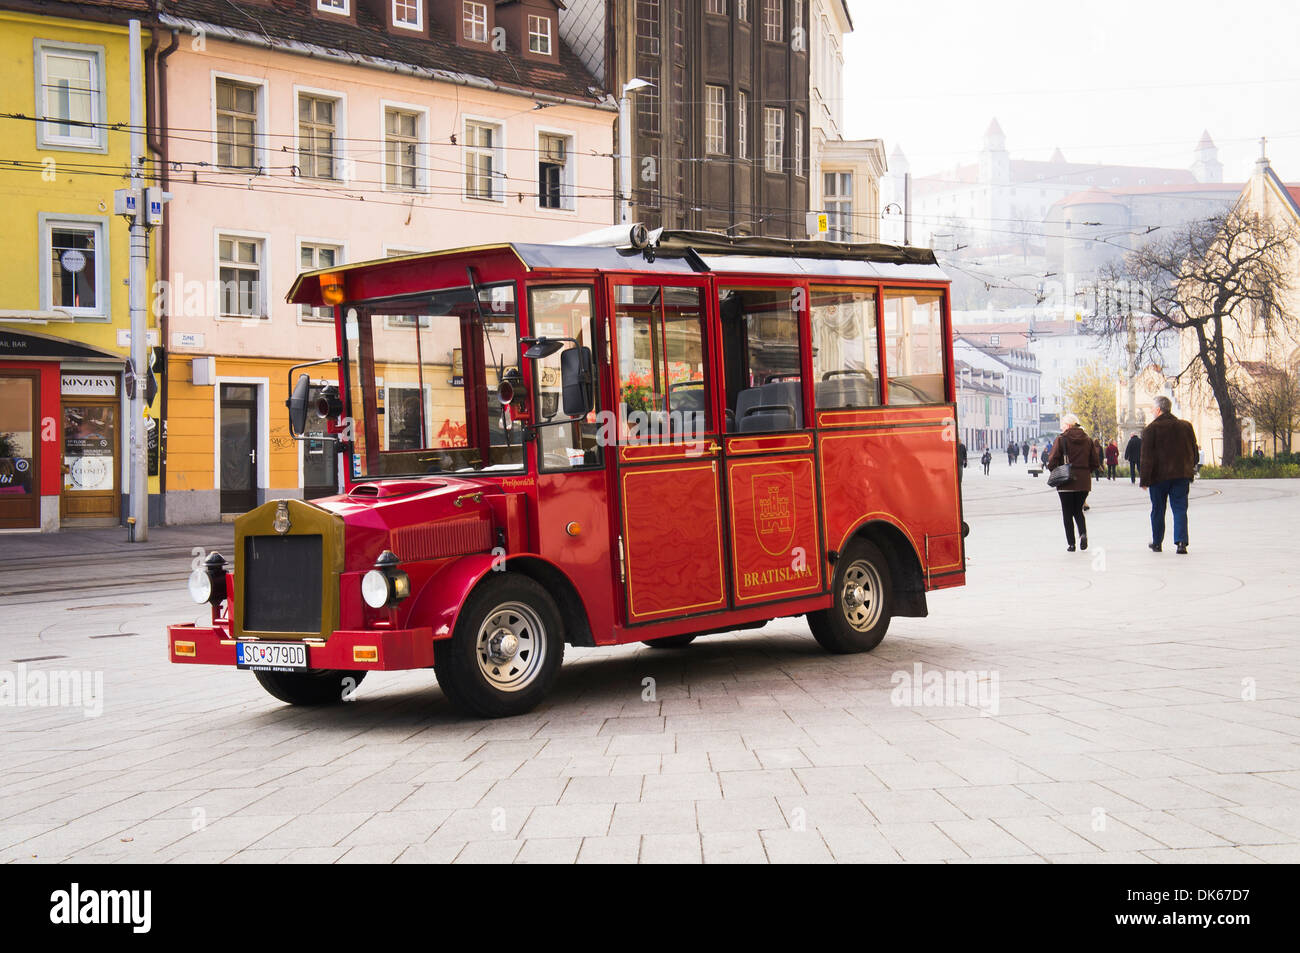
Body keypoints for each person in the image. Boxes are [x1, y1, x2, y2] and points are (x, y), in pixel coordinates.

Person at [1140, 396, 1198, 554]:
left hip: (1158, 478)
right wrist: (1188, 467)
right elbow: (1194, 452)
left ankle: (1157, 542)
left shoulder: (1150, 429)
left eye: (1152, 408)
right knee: (1180, 509)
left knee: (1158, 509)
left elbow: (1146, 458)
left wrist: (1144, 480)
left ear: (1158, 410)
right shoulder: (1185, 426)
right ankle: (1181, 543)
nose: (1152, 411)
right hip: (1181, 475)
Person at [1047, 413, 1101, 552]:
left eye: (1063, 425)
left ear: (1069, 425)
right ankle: (1083, 534)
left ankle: (1071, 544)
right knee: (1078, 510)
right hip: (1083, 482)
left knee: (1067, 512)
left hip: (1066, 481)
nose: (1061, 428)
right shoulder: (1088, 439)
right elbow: (1095, 462)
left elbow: (1052, 461)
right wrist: (1085, 471)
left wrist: (1055, 470)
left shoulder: (1061, 439)